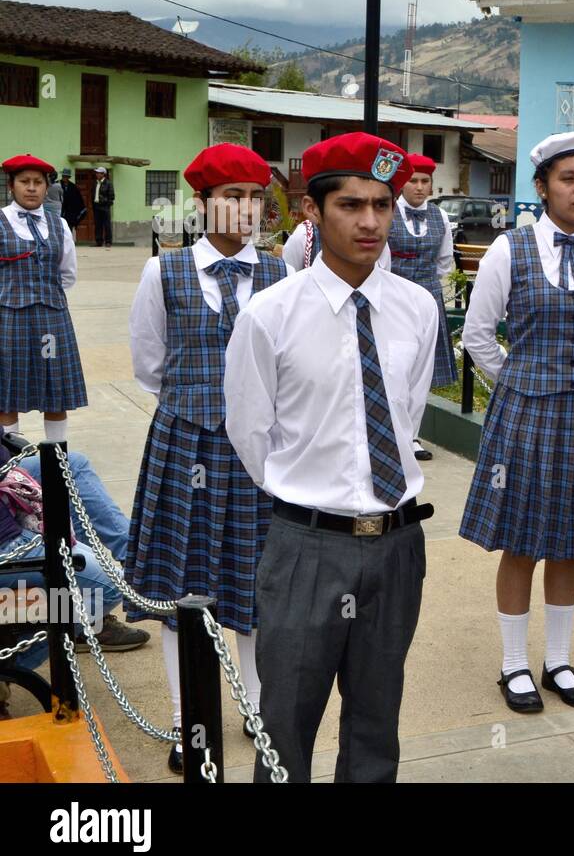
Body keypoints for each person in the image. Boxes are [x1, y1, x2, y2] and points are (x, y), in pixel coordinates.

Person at [225, 132, 438, 783]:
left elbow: (407, 413)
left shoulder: (418, 308)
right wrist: (313, 494)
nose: (371, 221)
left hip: (398, 546)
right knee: (284, 727)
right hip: (305, 549)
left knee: (377, 729)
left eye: (382, 203)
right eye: (351, 204)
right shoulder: (270, 315)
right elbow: (250, 435)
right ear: (311, 212)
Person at [125, 143, 288, 774]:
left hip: (258, 454)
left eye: (254, 198)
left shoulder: (279, 275)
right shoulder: (162, 272)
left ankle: (253, 706)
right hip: (185, 441)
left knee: (253, 585)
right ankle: (182, 716)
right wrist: (197, 400)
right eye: (231, 197)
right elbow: (149, 365)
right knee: (182, 586)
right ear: (202, 203)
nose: (244, 211)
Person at [459, 132, 574, 714]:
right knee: (522, 541)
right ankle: (513, 665)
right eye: (568, 179)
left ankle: (558, 660)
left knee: (571, 544)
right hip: (528, 415)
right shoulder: (511, 249)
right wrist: (520, 379)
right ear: (542, 187)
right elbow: (477, 334)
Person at [0, 439, 149, 703]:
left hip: (6, 485)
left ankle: (138, 562)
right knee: (107, 587)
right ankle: (11, 665)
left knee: (69, 464)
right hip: (6, 539)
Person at [0, 155, 88, 447]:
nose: (31, 188)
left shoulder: (59, 224)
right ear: (11, 185)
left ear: (46, 187)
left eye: (38, 182)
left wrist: (43, 295)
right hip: (9, 318)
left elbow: (68, 274)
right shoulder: (1, 221)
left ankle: (57, 457)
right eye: (24, 182)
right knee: (7, 393)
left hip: (52, 317)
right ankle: (14, 463)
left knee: (56, 391)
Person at [388, 153, 456, 461]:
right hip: (393, 296)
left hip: (428, 298)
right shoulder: (388, 211)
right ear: (402, 183)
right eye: (413, 180)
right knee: (394, 366)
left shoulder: (440, 217)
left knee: (421, 369)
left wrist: (438, 295)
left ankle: (412, 435)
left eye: (424, 181)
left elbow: (445, 261)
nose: (418, 187)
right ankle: (391, 430)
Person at [282, 216, 391, 274]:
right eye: (349, 205)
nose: (370, 224)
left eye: (381, 205)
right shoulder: (304, 236)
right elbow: (290, 280)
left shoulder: (376, 241)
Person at [92, 166, 114, 249]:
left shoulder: (108, 183)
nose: (97, 174)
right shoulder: (95, 183)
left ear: (103, 174)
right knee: (98, 225)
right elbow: (92, 194)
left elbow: (111, 196)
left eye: (98, 173)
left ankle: (108, 242)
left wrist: (106, 204)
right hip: (96, 207)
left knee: (107, 225)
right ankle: (99, 241)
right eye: (96, 173)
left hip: (105, 207)